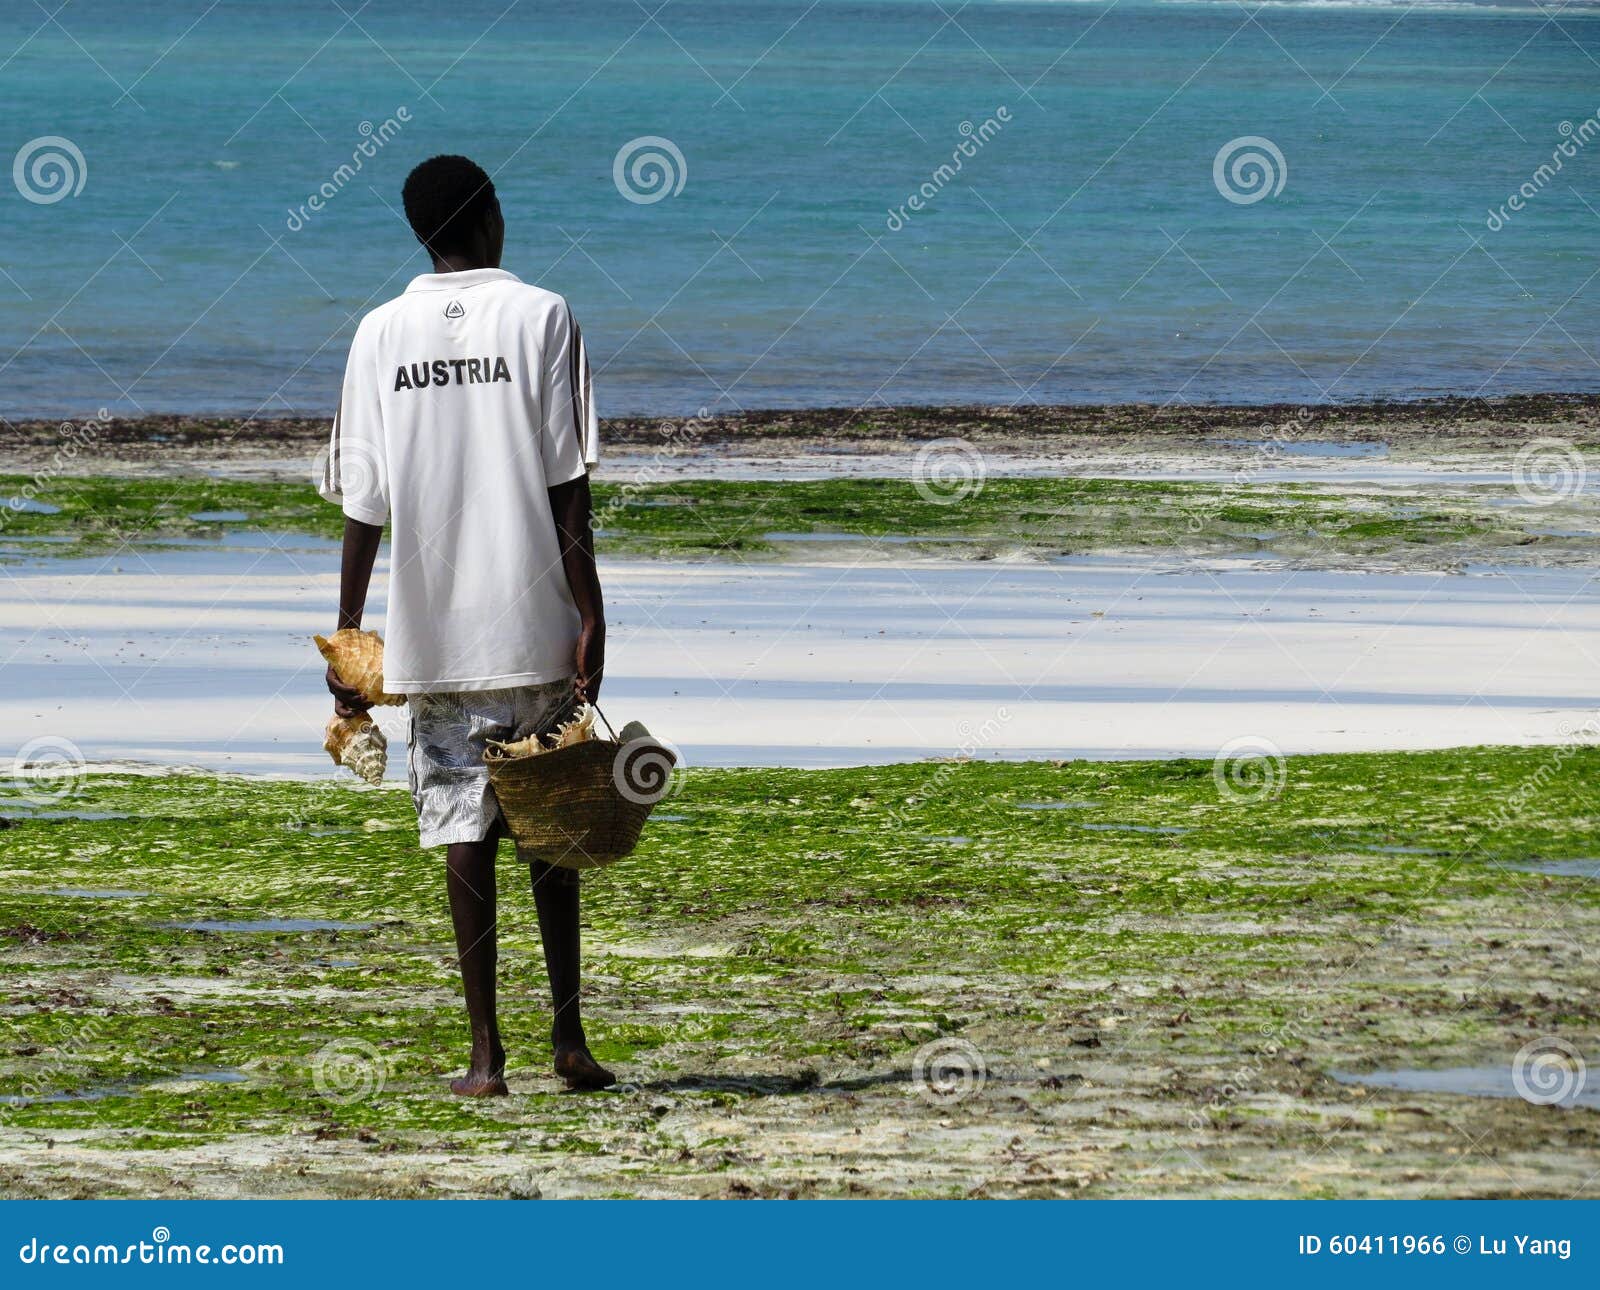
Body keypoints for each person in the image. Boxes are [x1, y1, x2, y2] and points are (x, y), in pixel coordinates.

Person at [318, 153, 615, 1095]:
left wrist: (349, 630)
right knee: (554, 826)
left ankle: (486, 1056)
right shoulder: (543, 316)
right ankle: (568, 1040)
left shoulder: (378, 332)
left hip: (434, 637)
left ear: (422, 235)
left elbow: (362, 502)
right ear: (489, 217)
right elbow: (568, 487)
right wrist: (592, 609)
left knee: (462, 832)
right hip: (533, 618)